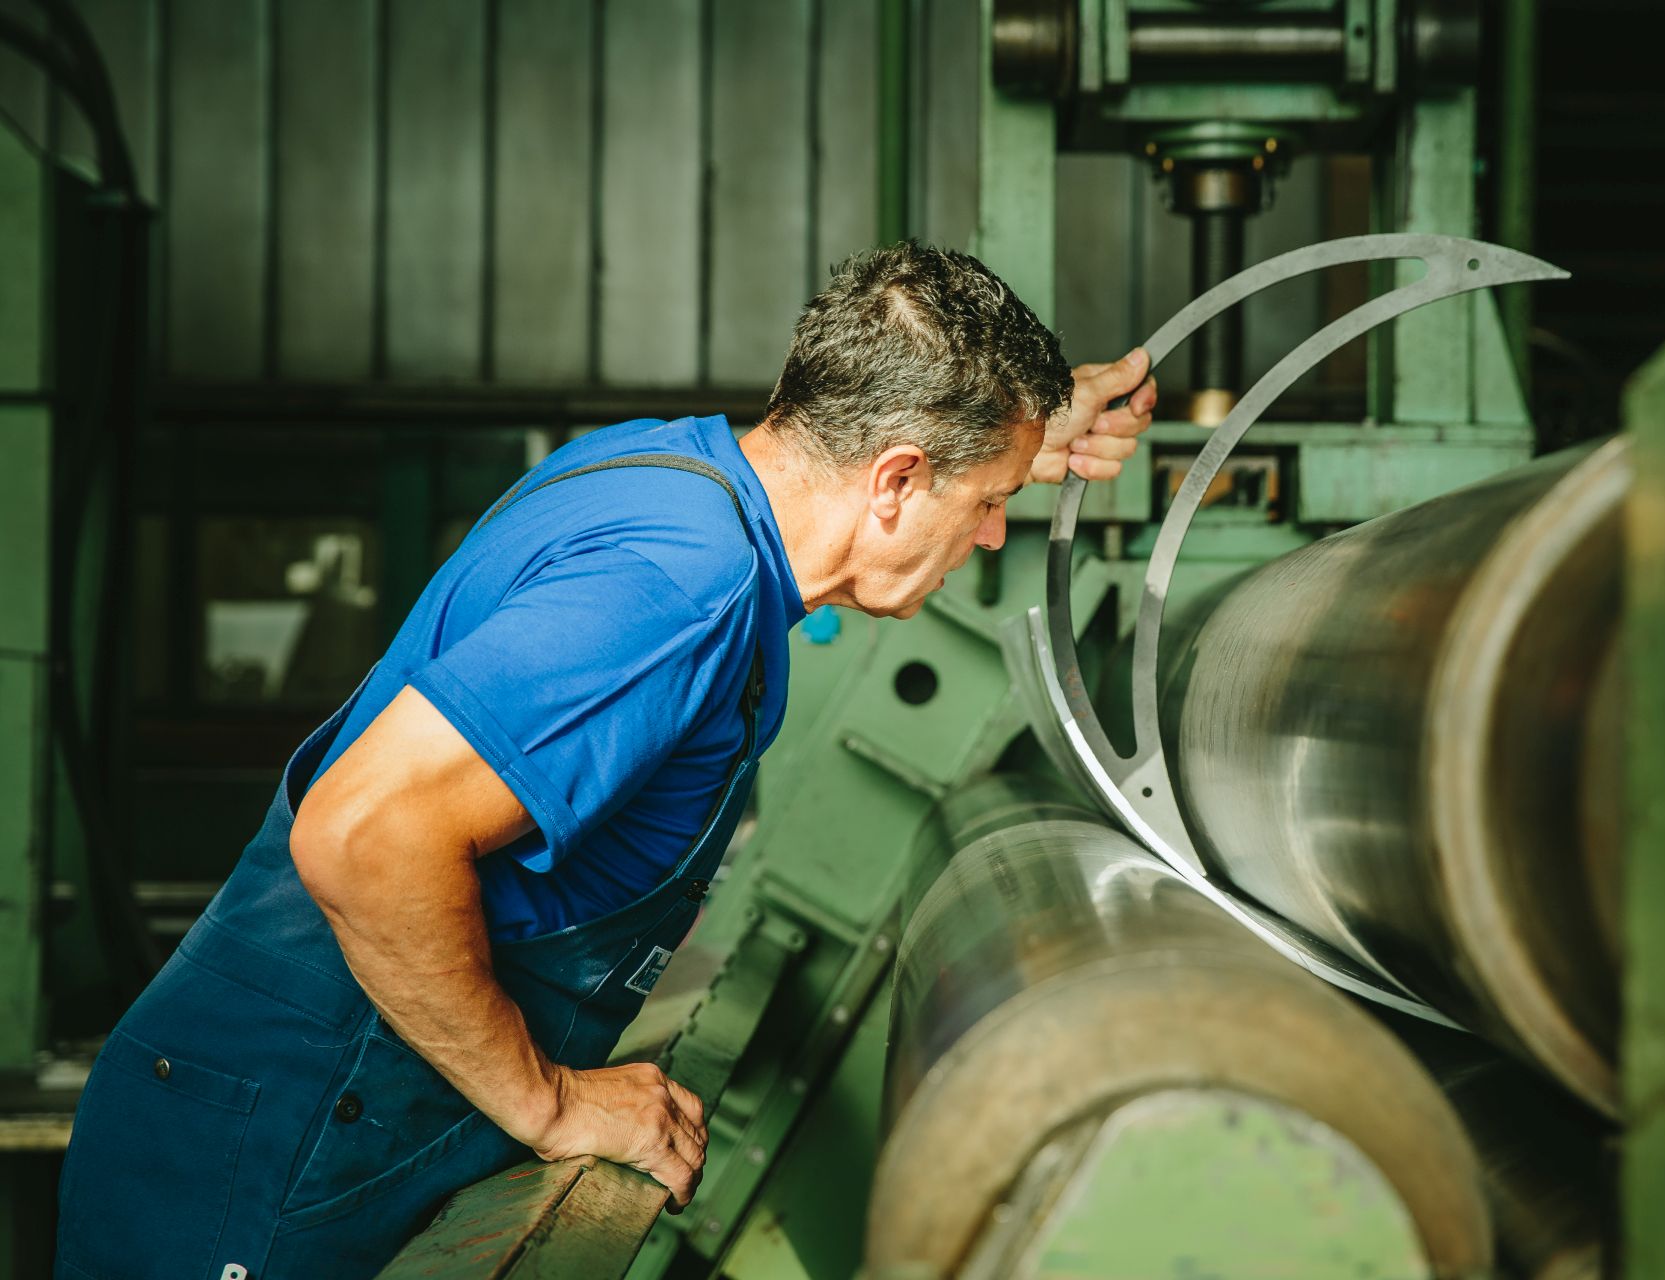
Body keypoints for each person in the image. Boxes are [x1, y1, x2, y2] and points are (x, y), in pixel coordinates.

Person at [54, 242, 1156, 1280]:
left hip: (289, 1107)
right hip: (269, 1144)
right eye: (993, 503)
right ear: (897, 478)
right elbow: (362, 836)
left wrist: (1013, 436)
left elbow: (908, 455)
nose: (997, 534)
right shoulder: (681, 592)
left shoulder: (675, 472)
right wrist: (552, 1104)